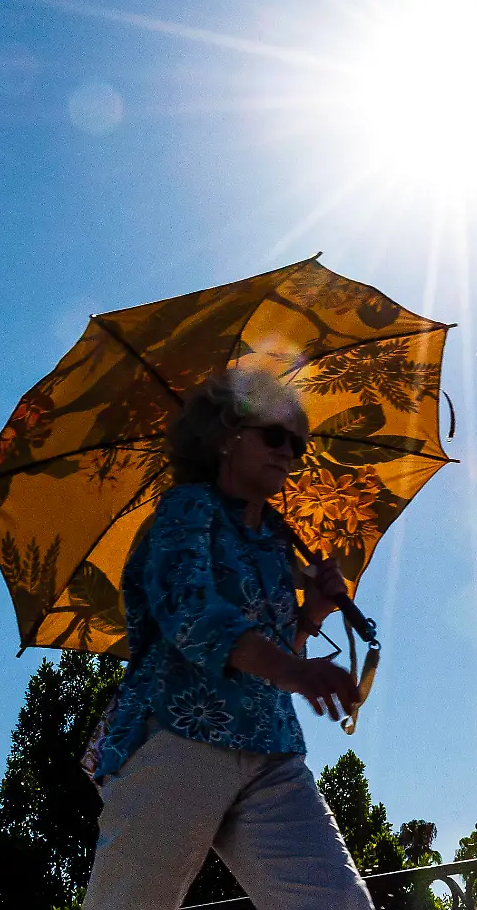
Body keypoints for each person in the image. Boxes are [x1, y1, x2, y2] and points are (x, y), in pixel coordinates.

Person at [81, 368, 373, 910]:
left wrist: (313, 612)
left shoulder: (276, 543)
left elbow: (279, 651)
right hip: (177, 736)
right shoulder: (185, 511)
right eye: (274, 434)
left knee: (338, 902)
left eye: (298, 444)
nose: (288, 451)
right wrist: (297, 672)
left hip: (269, 747)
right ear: (225, 435)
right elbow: (194, 618)